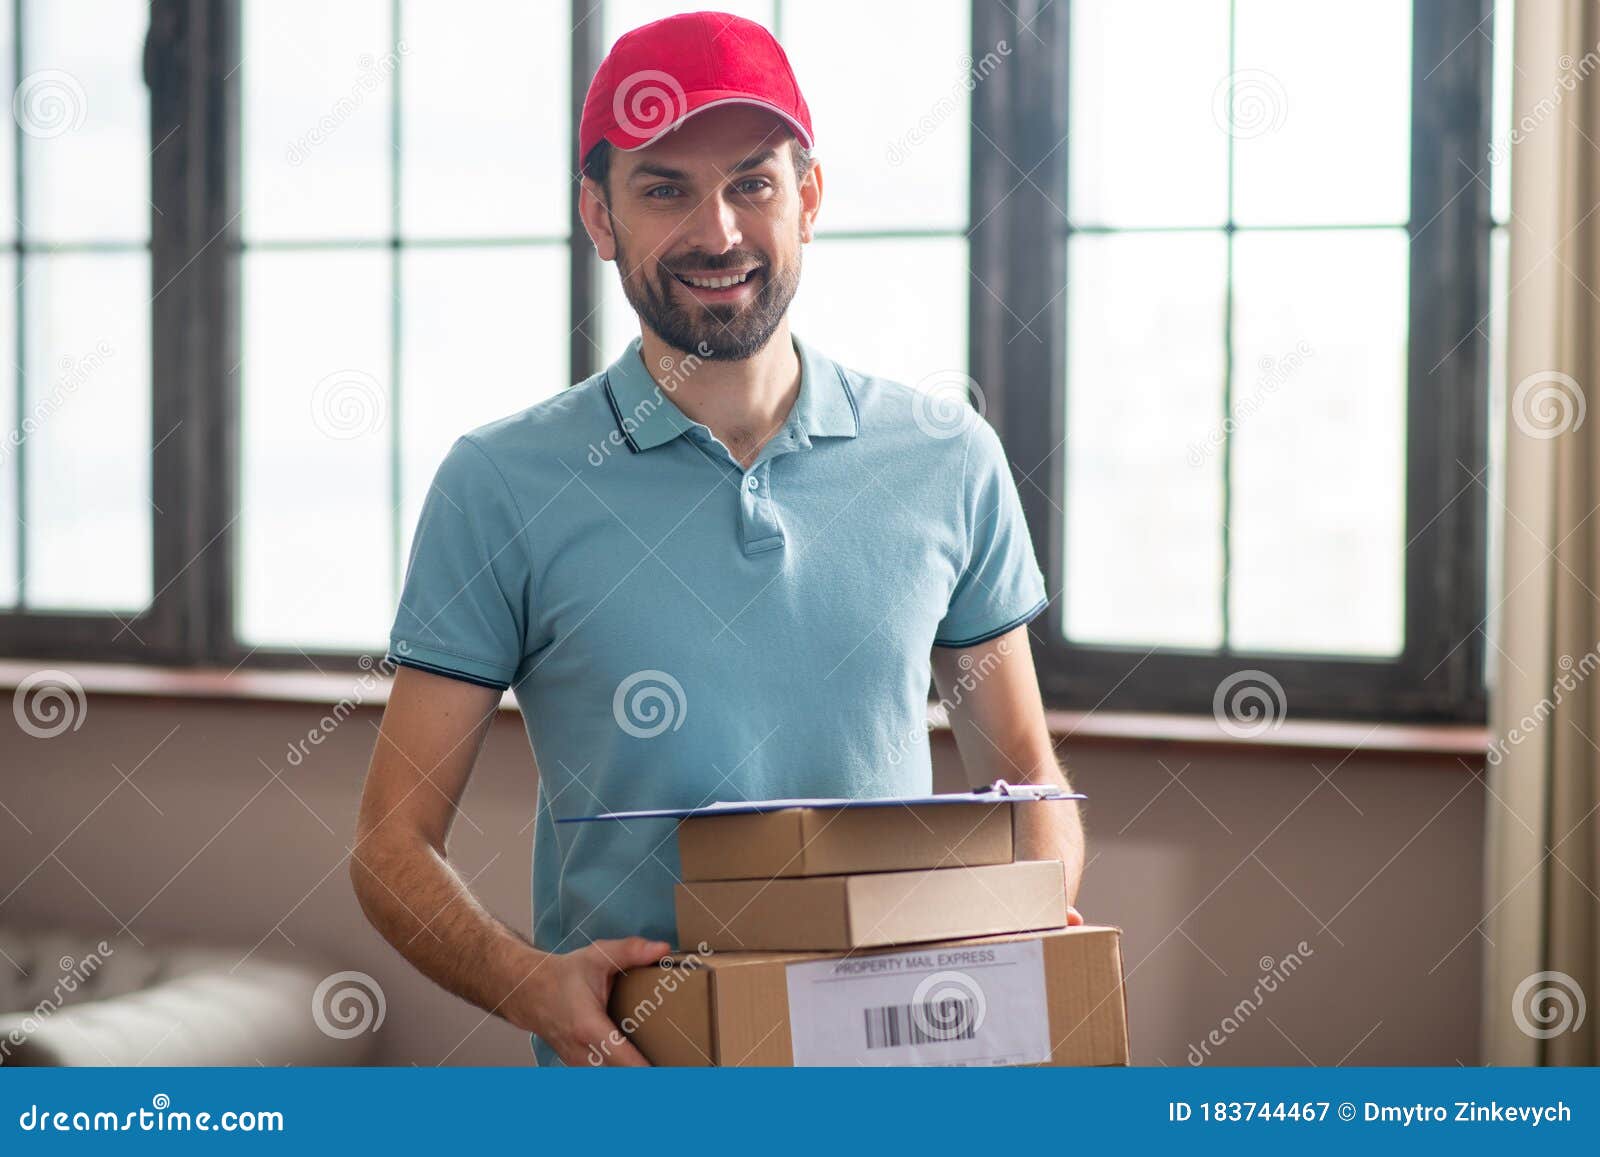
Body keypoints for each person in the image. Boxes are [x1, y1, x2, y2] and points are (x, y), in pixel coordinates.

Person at [351, 10, 1084, 1067]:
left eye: (752, 182)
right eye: (664, 188)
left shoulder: (945, 455)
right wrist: (535, 987)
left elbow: (1029, 785)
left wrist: (1021, 929)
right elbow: (388, 845)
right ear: (597, 216)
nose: (719, 231)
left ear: (809, 198)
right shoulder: (500, 482)